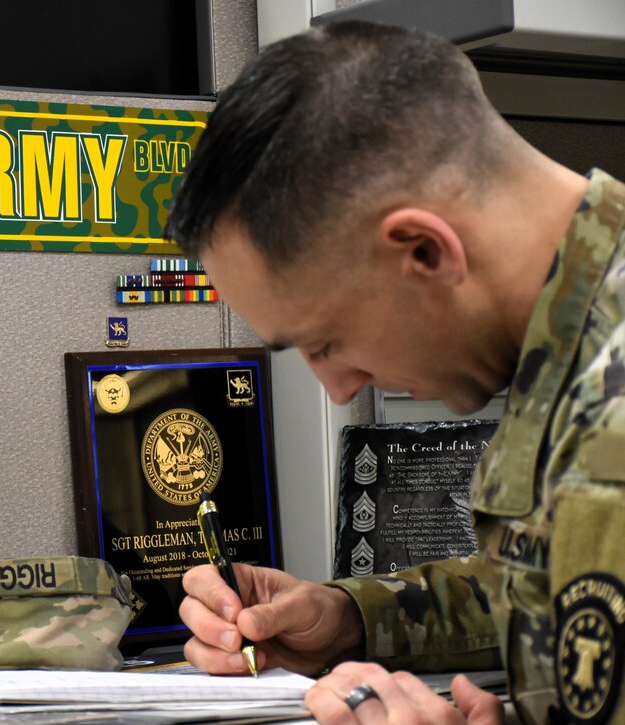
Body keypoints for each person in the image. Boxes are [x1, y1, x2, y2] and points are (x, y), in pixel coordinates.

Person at [165, 20, 625, 725]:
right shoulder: (572, 356)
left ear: (424, 252)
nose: (341, 387)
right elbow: (569, 583)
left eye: (326, 341)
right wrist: (349, 615)